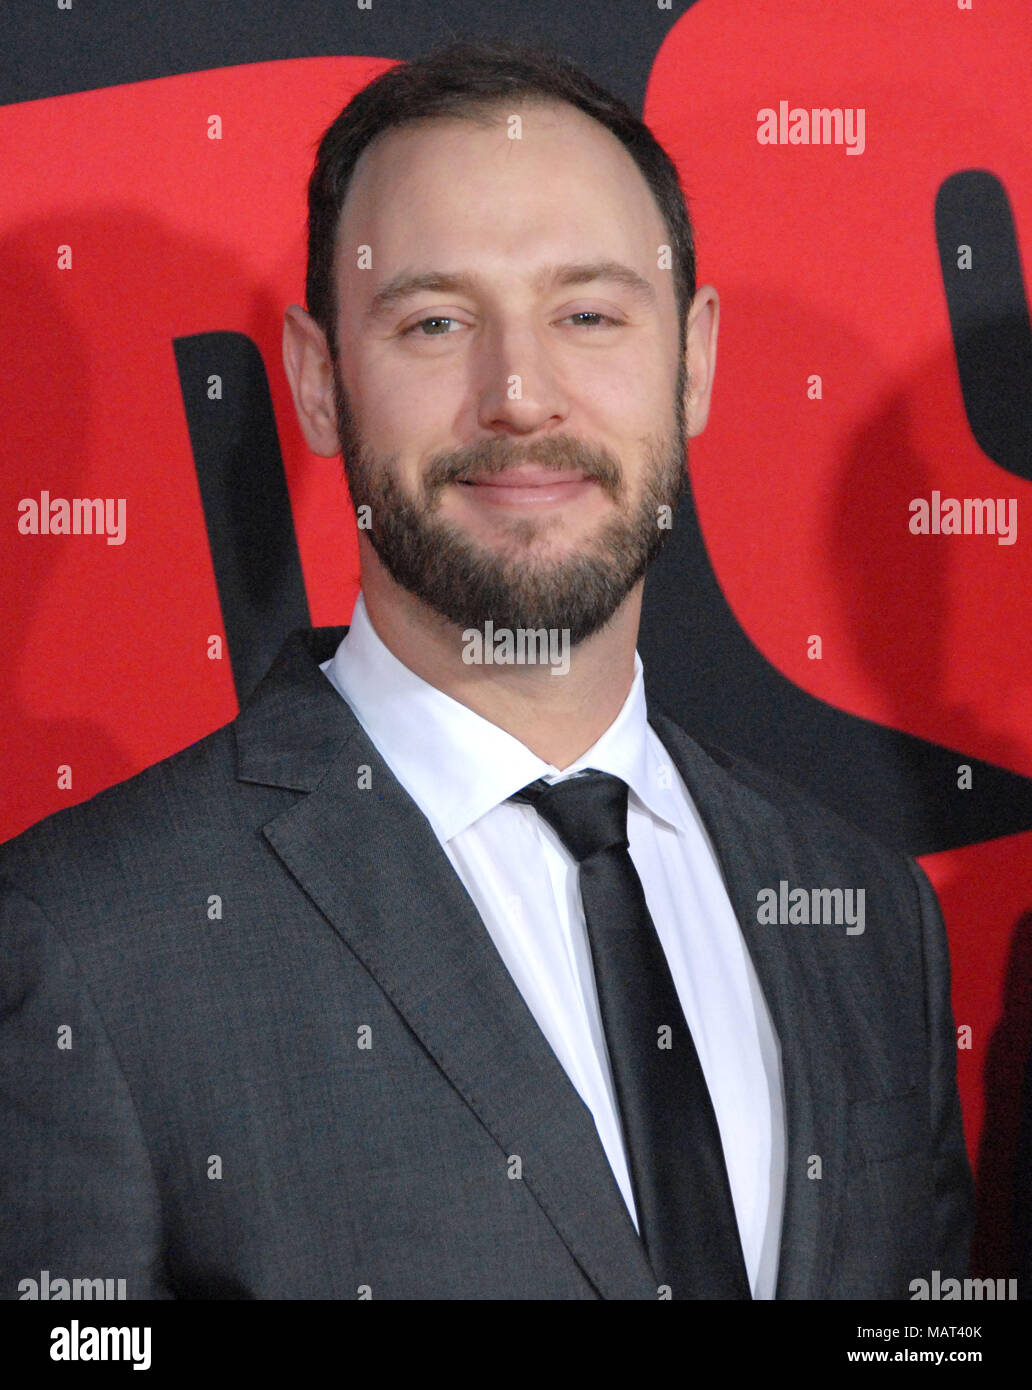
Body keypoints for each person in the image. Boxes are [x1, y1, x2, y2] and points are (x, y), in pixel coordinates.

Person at [0, 38, 973, 1300]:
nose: (518, 395)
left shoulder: (864, 914)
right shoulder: (95, 937)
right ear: (317, 381)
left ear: (695, 360)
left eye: (587, 314)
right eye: (436, 321)